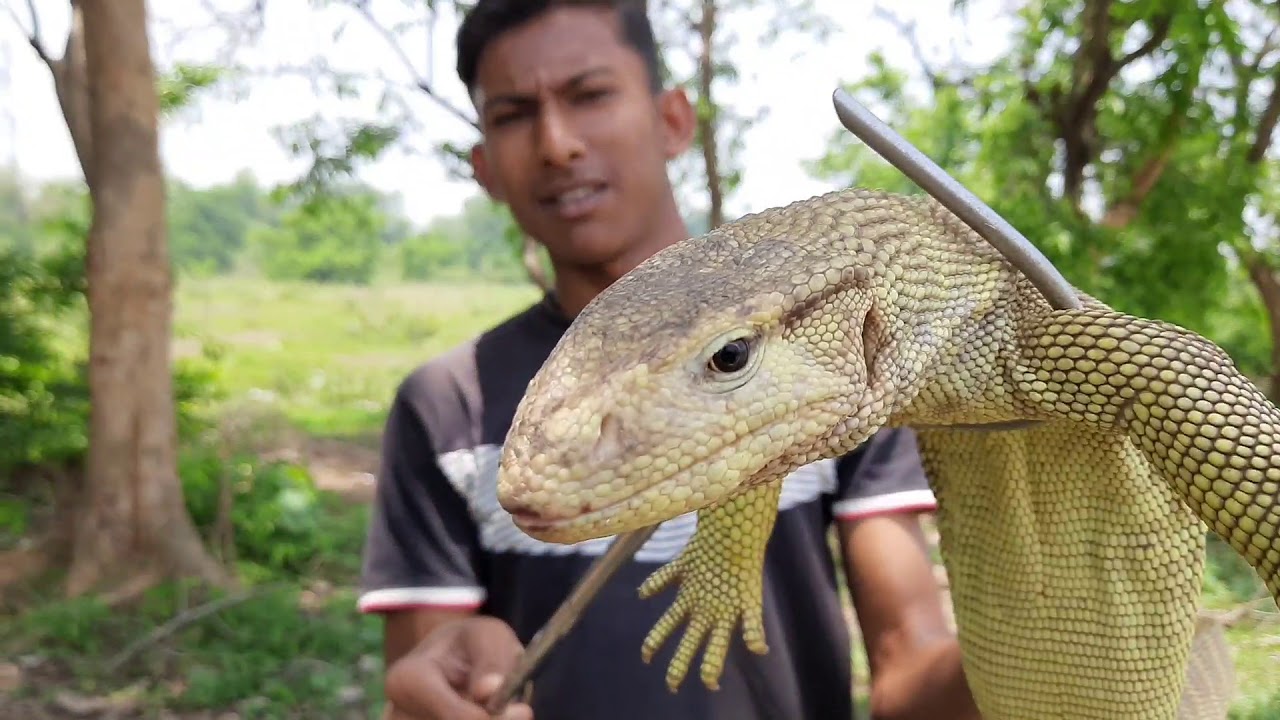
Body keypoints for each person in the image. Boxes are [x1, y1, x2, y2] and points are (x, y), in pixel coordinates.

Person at [357, 1, 981, 719]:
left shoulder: (835, 349)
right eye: (514, 114)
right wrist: (447, 678)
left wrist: (1020, 658)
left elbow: (907, 667)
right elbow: (422, 671)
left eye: (590, 95)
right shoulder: (444, 404)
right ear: (483, 168)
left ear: (674, 121)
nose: (557, 143)